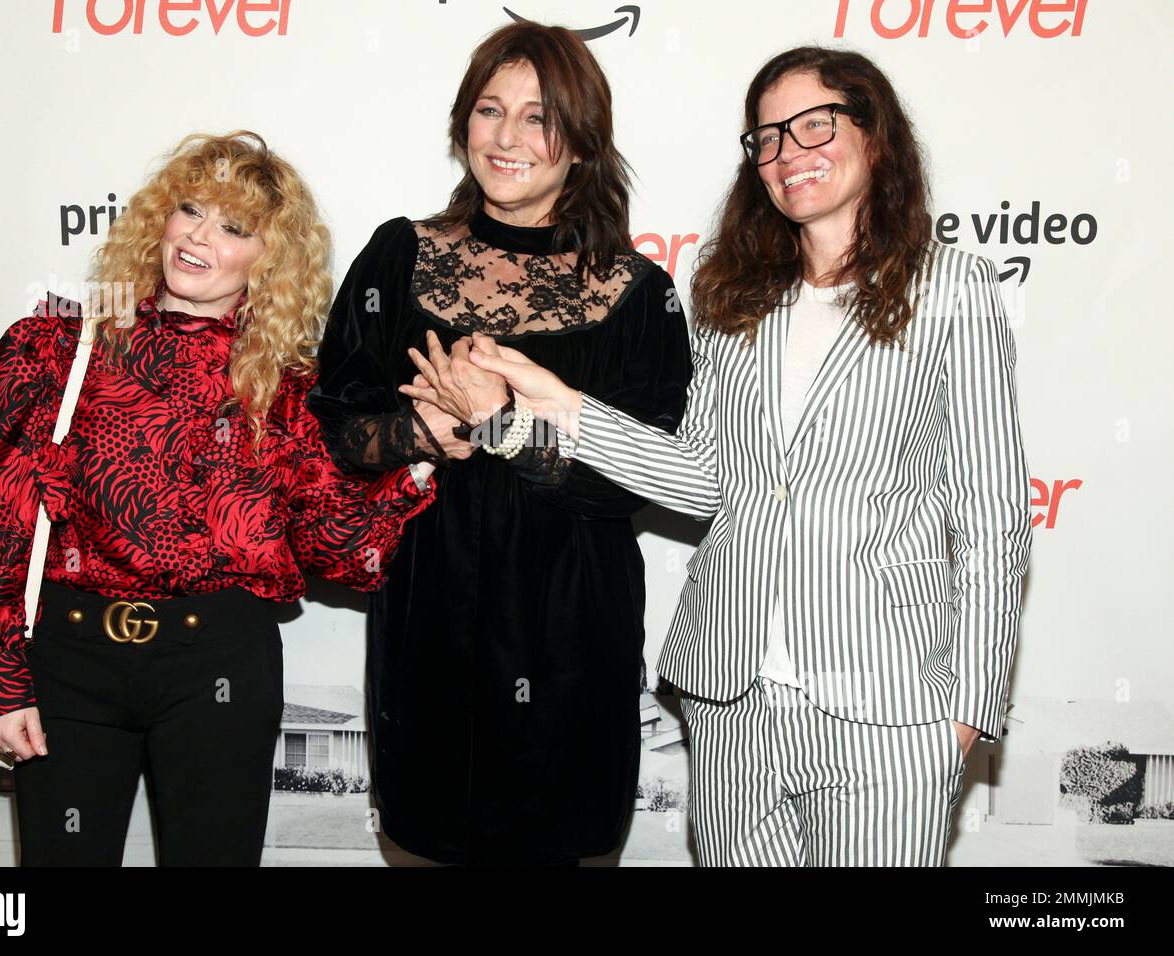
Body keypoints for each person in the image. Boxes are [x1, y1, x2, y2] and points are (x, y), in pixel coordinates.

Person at [419, 46, 1033, 866]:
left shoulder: (953, 288)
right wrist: (555, 400)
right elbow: (700, 478)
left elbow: (993, 519)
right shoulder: (734, 294)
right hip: (728, 697)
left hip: (888, 708)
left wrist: (967, 714)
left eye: (815, 126)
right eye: (768, 137)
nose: (789, 152)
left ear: (876, 137)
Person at [0, 131, 436, 866]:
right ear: (158, 218)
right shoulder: (53, 347)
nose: (198, 236)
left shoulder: (287, 390)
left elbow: (335, 548)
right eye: (189, 210)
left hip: (218, 662)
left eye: (233, 228)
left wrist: (419, 459)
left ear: (270, 260)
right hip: (70, 660)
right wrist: (3, 680)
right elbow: (0, 514)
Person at [308, 22, 692, 866]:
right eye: (490, 111)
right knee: (426, 836)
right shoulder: (398, 257)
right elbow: (329, 427)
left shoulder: (640, 294)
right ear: (462, 125)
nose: (508, 138)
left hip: (570, 620)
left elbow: (634, 486)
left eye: (539, 117)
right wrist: (418, 431)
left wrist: (499, 422)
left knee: (562, 838)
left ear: (583, 143)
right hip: (426, 608)